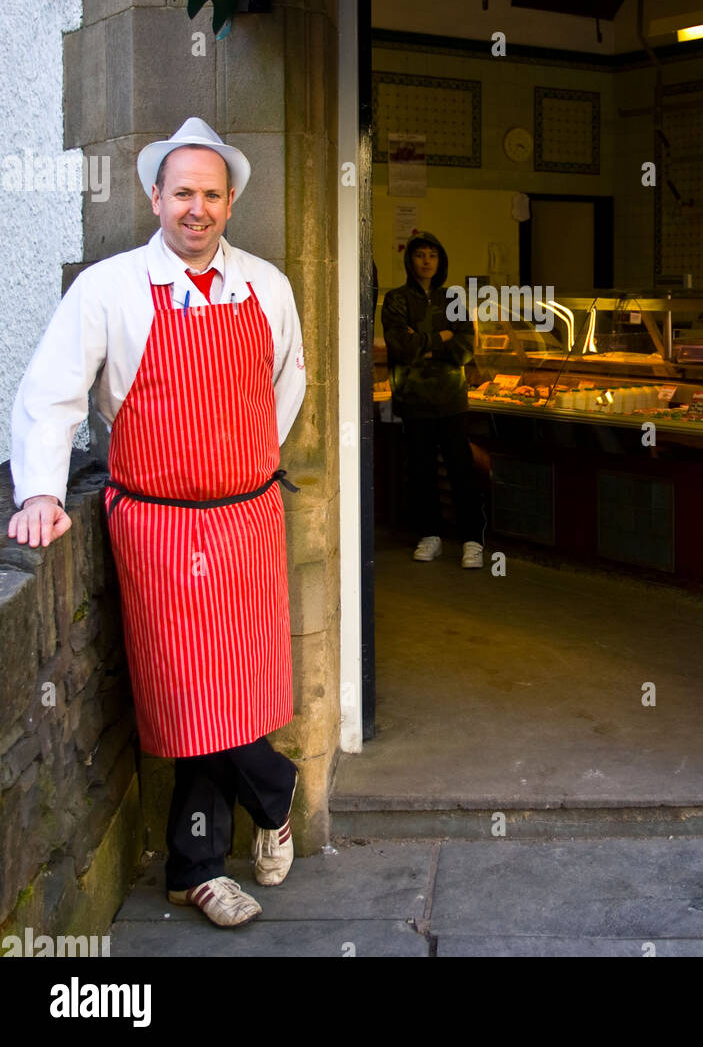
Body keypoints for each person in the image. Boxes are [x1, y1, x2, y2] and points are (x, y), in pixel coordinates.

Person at [7, 117, 307, 928]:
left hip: (244, 522)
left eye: (212, 194)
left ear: (231, 200)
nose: (197, 208)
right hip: (158, 529)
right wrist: (39, 491)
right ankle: (275, 794)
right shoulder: (107, 289)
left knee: (234, 697)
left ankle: (195, 869)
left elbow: (288, 381)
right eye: (183, 193)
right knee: (188, 697)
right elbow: (51, 392)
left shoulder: (266, 286)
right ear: (155, 197)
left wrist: (240, 466)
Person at [381, 231, 485, 567]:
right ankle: (430, 536)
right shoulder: (396, 300)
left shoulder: (453, 298)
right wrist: (442, 336)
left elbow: (466, 348)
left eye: (432, 256)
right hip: (413, 398)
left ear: (441, 262)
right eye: (420, 255)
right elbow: (400, 346)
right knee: (421, 470)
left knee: (461, 470)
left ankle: (472, 540)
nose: (426, 261)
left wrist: (425, 343)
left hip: (452, 399)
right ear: (409, 260)